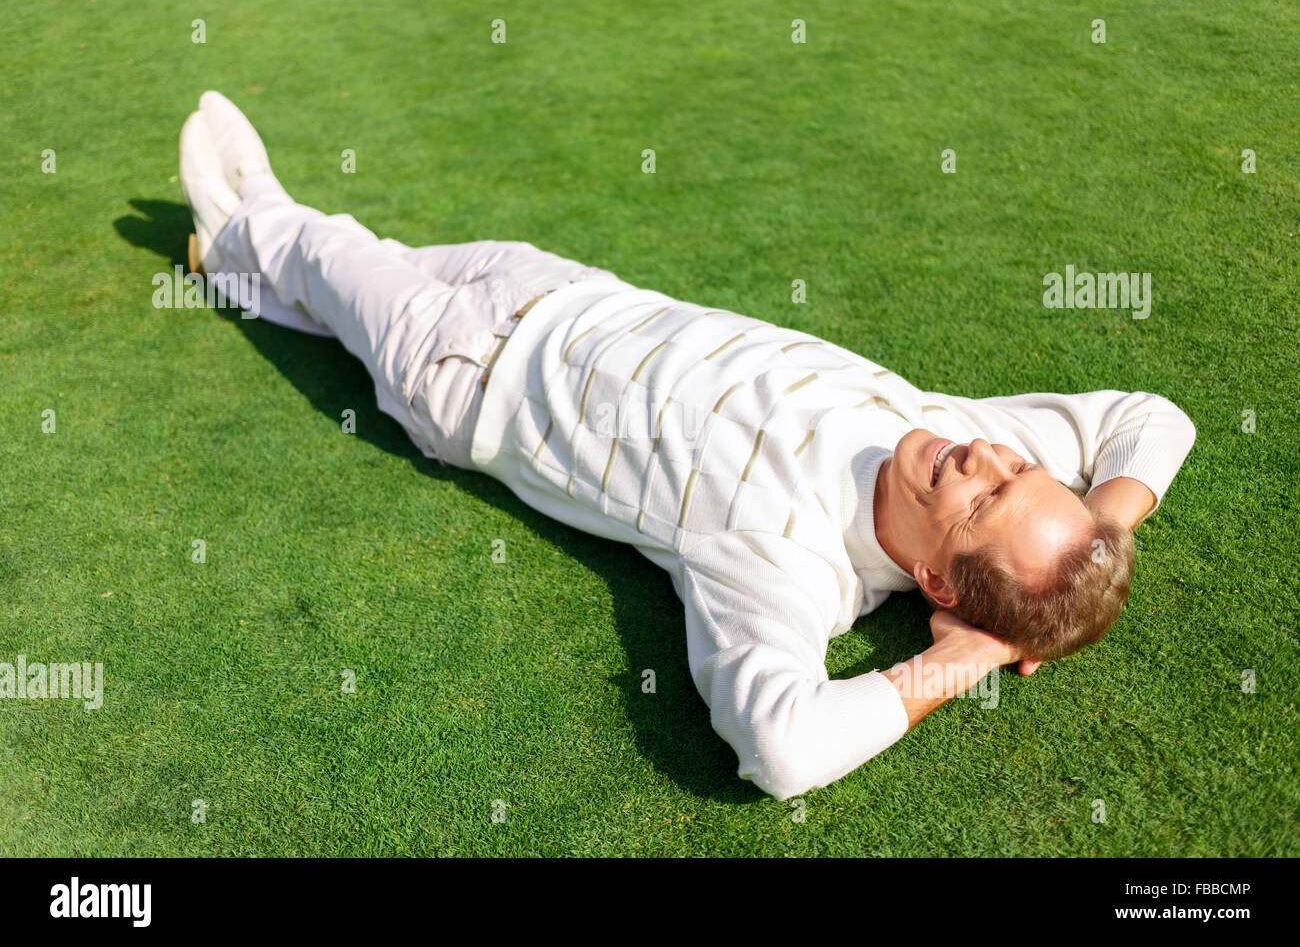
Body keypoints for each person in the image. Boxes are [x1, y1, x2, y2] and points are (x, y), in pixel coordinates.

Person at [179, 91, 1197, 800]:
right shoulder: (960, 435)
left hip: (463, 376)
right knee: (363, 267)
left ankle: (245, 224)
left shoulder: (783, 563)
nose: (983, 459)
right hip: (564, 285)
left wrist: (963, 659)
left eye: (984, 502)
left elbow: (782, 748)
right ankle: (242, 278)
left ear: (934, 577)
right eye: (1016, 468)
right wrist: (1101, 533)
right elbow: (1151, 417)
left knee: (329, 243)